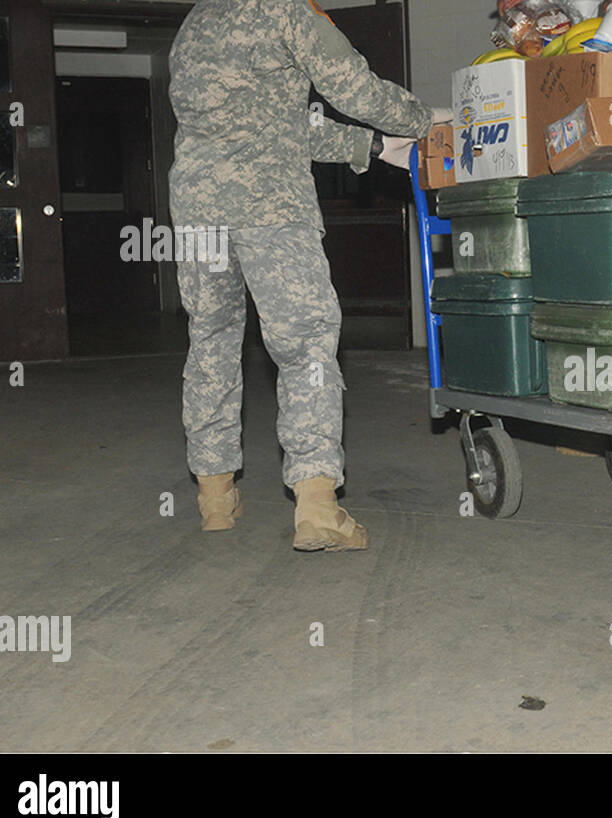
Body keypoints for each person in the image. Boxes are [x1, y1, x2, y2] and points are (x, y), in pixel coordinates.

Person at [169, 0, 451, 551]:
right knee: (306, 350)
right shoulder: (287, 13)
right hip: (270, 208)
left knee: (211, 342)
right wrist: (426, 120)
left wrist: (368, 147)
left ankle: (216, 498)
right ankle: (318, 507)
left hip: (198, 210)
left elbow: (269, 122)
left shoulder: (195, 23)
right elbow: (355, 90)